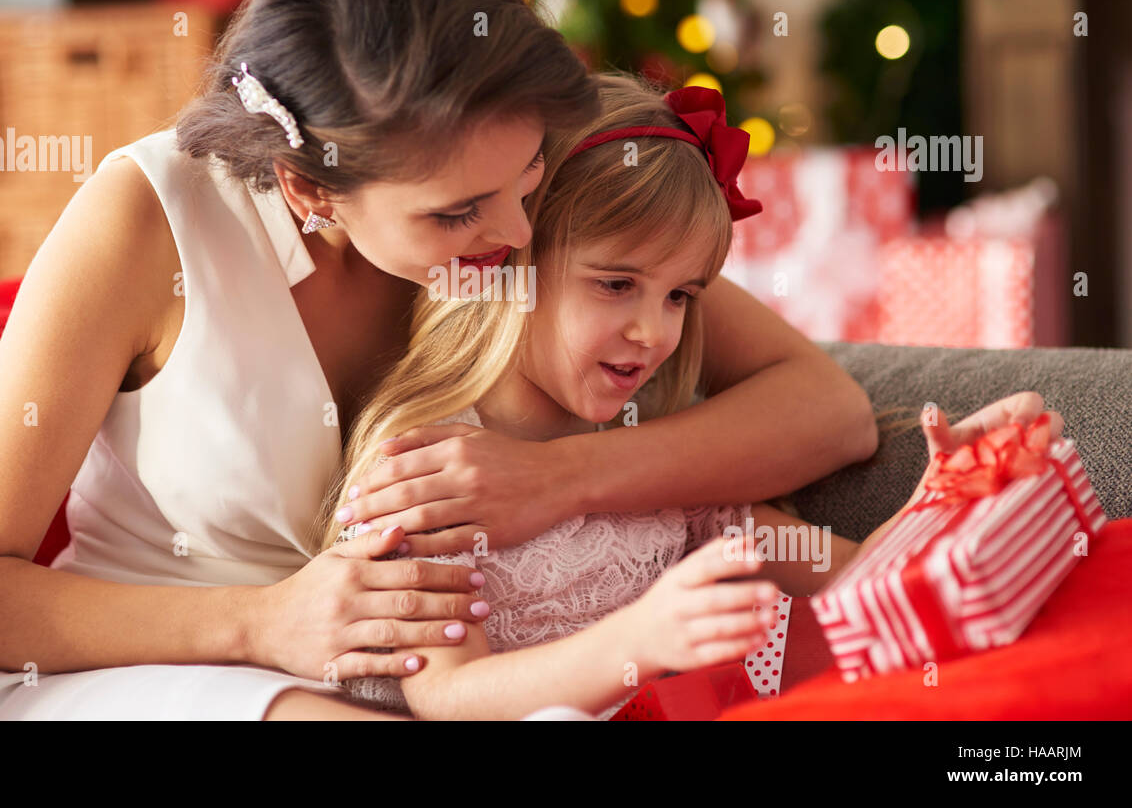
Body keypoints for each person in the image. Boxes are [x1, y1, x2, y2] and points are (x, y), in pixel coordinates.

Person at [0, 0, 869, 722]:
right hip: (133, 677)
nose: (516, 229)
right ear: (310, 189)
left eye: (530, 173)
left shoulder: (508, 171)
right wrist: (259, 620)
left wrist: (558, 478)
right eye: (455, 213)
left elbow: (830, 415)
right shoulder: (143, 224)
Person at [315, 72, 1067, 720]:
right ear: (509, 258)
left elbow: (851, 576)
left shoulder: (661, 445)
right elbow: (448, 697)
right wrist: (637, 643)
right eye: (616, 285)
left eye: (681, 296)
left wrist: (945, 496)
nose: (653, 331)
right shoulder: (423, 463)